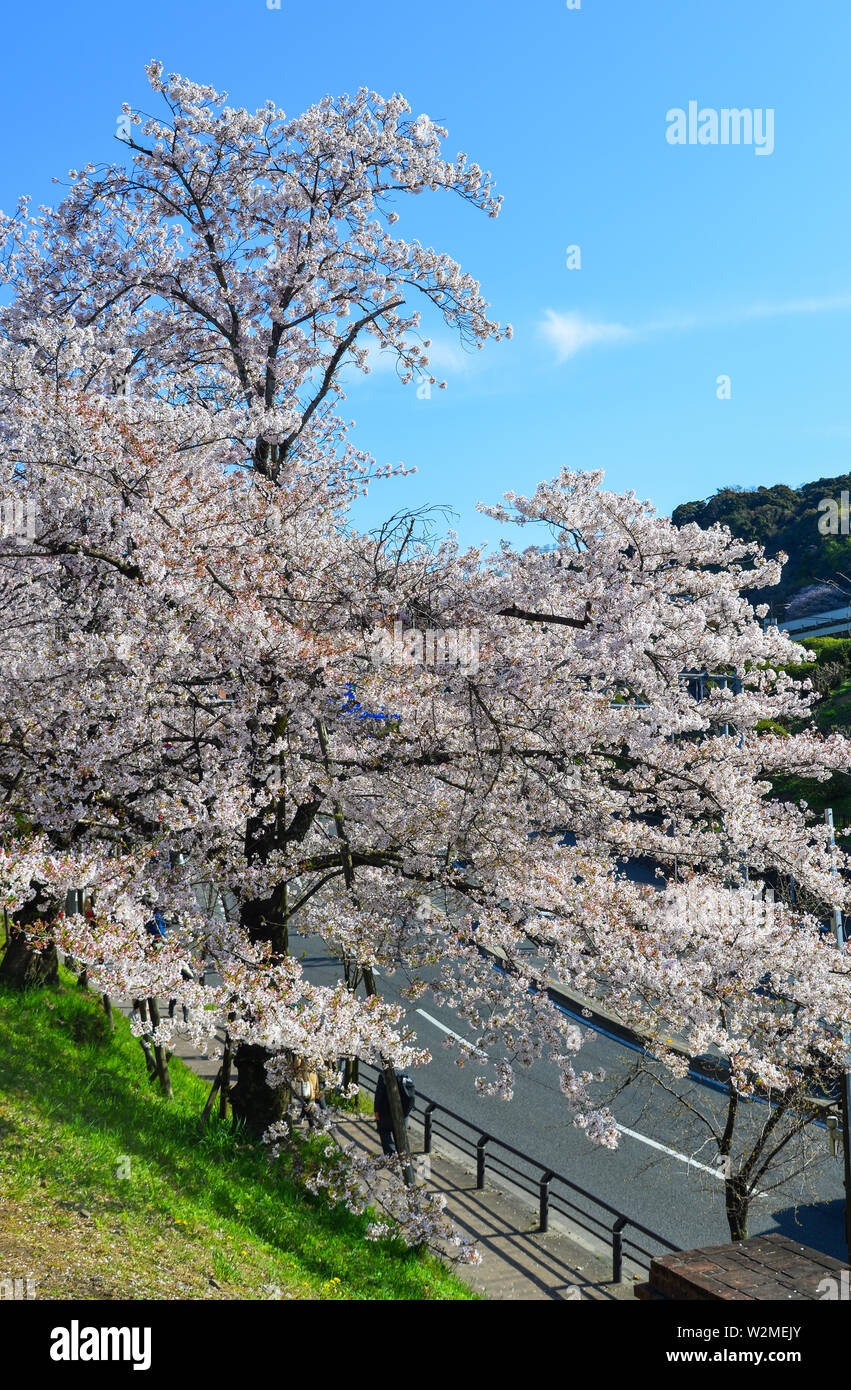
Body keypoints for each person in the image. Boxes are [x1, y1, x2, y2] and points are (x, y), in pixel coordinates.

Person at [373, 1069, 415, 1156]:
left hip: (386, 1110)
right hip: (403, 1112)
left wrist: (376, 1110)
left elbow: (379, 1094)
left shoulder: (384, 1075)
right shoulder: (407, 1075)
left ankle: (391, 1154)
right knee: (400, 1133)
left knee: (384, 1131)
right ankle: (402, 1154)